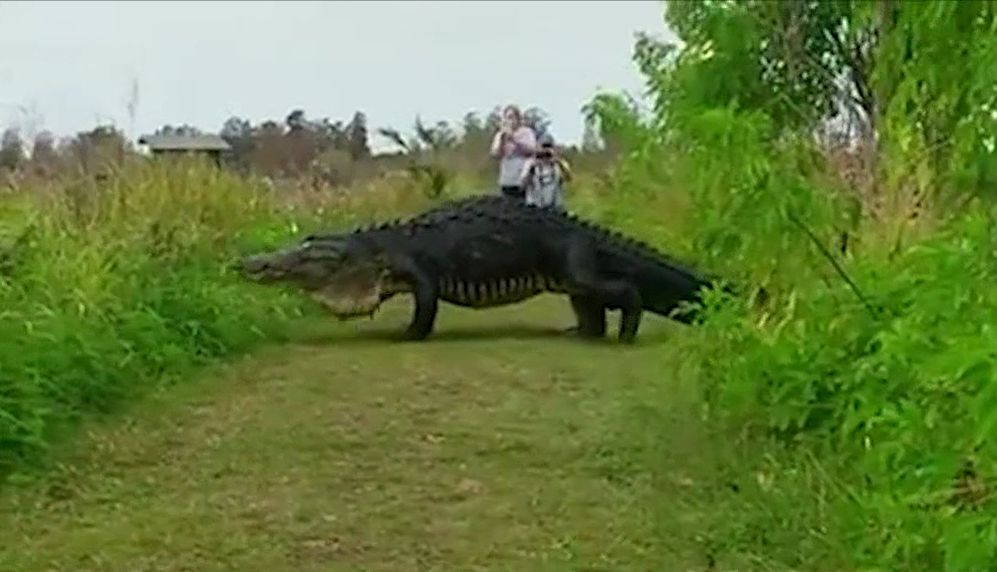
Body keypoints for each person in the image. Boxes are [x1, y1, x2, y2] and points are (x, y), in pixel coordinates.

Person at [490, 104, 537, 200]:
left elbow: (532, 150)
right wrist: (502, 140)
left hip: (522, 175)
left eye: (512, 117)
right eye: (507, 117)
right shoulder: (500, 135)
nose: (509, 120)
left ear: (518, 118)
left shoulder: (527, 132)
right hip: (507, 176)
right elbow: (495, 154)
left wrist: (513, 139)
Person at [519, 132, 572, 211]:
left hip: (555, 208)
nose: (545, 151)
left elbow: (569, 178)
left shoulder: (559, 164)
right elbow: (522, 186)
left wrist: (558, 162)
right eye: (543, 147)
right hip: (534, 208)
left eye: (548, 147)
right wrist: (531, 170)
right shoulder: (530, 163)